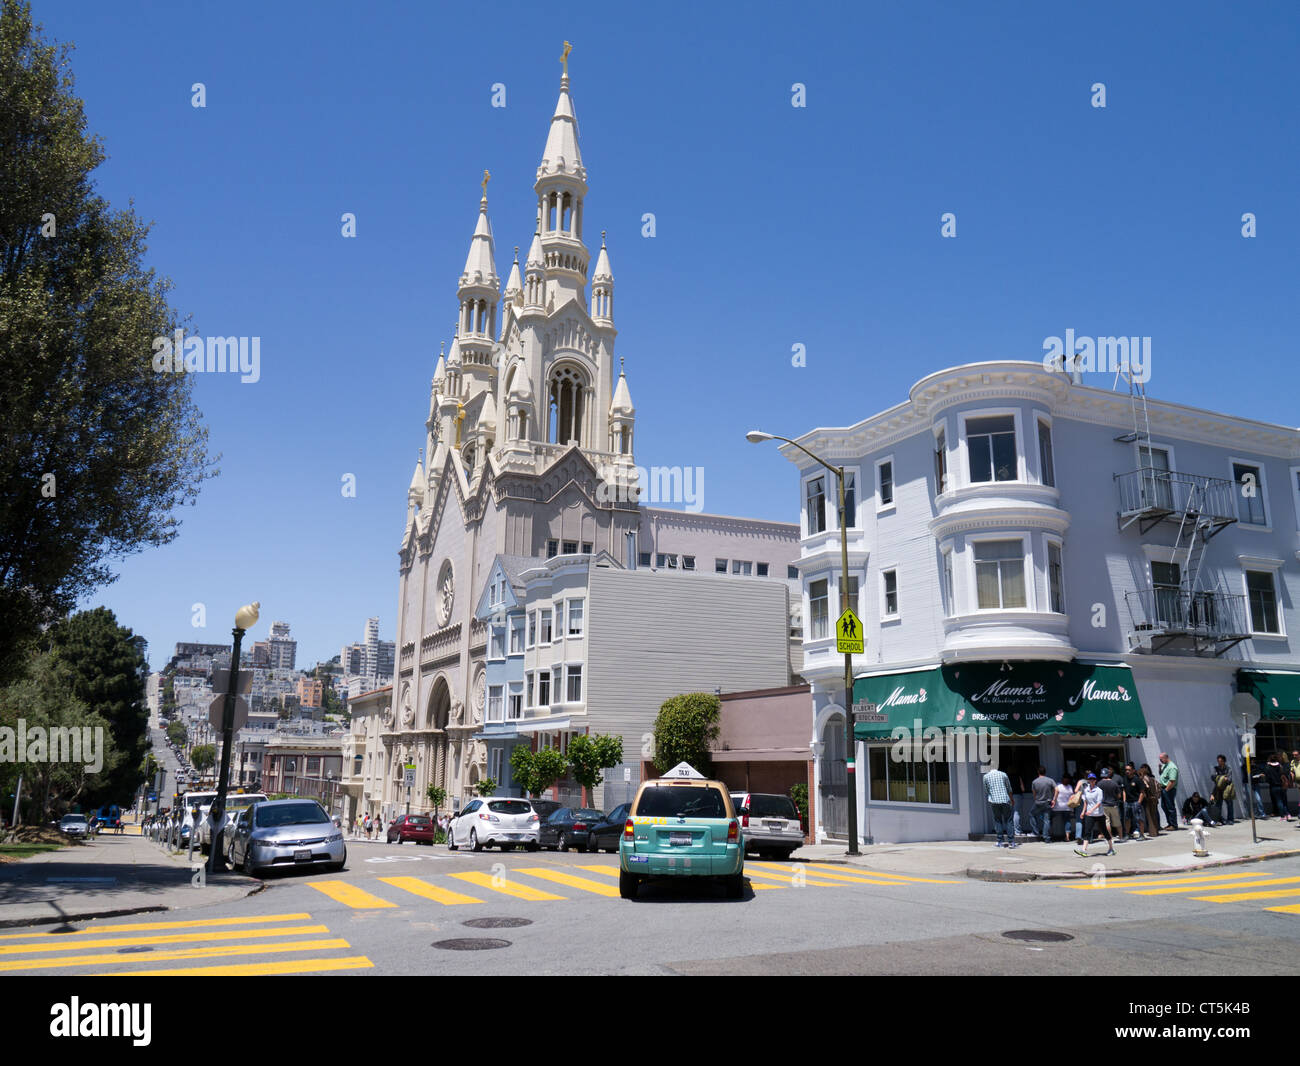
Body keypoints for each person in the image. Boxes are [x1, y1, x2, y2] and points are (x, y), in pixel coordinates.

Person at [1075, 773, 1115, 857]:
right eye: (1090, 779)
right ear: (1088, 780)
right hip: (1090, 815)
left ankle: (1111, 848)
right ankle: (1084, 850)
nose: (1091, 781)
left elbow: (1098, 803)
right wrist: (1083, 811)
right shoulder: (1086, 790)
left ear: (1095, 780)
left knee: (1104, 831)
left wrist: (1091, 810)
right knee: (1087, 831)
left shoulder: (1099, 790)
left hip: (1099, 814)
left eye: (1093, 779)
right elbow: (1085, 802)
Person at [983, 763, 1016, 848]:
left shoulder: (986, 776)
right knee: (1009, 820)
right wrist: (1012, 799)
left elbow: (986, 790)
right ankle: (1011, 842)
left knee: (998, 821)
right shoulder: (1003, 774)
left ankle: (1000, 842)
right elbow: (1009, 788)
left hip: (994, 801)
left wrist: (992, 796)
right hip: (1005, 800)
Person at [1120, 763, 1147, 839]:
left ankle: (1142, 835)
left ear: (1133, 771)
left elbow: (1142, 792)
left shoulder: (1137, 780)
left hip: (1136, 802)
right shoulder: (1124, 779)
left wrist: (1139, 802)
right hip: (1127, 802)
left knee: (1139, 819)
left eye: (1129, 770)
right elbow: (1124, 790)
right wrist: (1124, 801)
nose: (1127, 771)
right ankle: (1127, 834)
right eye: (1126, 770)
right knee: (1127, 819)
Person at [1030, 766, 1056, 843]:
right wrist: (1054, 800)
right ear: (1045, 772)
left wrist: (1036, 799)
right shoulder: (1050, 780)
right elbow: (1057, 789)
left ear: (1038, 772)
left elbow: (1034, 793)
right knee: (1046, 820)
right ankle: (1046, 837)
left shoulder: (1035, 782)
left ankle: (1035, 831)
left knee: (1031, 814)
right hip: (1047, 802)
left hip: (1038, 802)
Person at [1264, 752, 1292, 822]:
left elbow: (1267, 779)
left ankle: (1283, 816)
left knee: (1279, 801)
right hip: (1282, 785)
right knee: (1284, 800)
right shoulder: (1280, 766)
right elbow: (1284, 774)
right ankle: (1288, 814)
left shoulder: (1268, 767)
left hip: (1274, 786)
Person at [1097, 768, 1123, 840]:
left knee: (1107, 822)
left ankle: (1110, 837)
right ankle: (1121, 837)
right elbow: (1119, 795)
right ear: (1108, 774)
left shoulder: (1099, 784)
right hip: (1113, 804)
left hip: (1104, 805)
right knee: (1117, 822)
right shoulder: (1114, 783)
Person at [1210, 754, 1236, 826]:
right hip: (1218, 789)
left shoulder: (1228, 769)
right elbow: (1212, 777)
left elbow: (1229, 779)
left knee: (1229, 804)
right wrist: (1222, 778)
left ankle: (1230, 819)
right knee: (1218, 805)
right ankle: (1219, 820)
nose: (1219, 762)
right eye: (1218, 761)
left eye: (1221, 761)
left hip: (1227, 789)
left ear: (1224, 761)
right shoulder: (1216, 768)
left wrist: (1219, 778)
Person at [1158, 753, 1179, 830]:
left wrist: (1166, 790)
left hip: (1169, 789)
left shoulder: (1172, 767)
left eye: (1161, 759)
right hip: (1164, 789)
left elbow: (1172, 781)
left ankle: (1174, 825)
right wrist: (1160, 768)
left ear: (1166, 757)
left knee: (1170, 807)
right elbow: (1161, 774)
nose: (1160, 761)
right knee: (1164, 806)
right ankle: (1170, 823)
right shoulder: (1165, 765)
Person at [1051, 774, 1074, 842]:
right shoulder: (1070, 787)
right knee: (1067, 821)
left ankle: (1050, 834)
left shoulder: (1058, 785)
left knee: (1049, 819)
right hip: (1067, 808)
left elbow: (1054, 792)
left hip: (1057, 807)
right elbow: (1072, 797)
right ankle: (1067, 837)